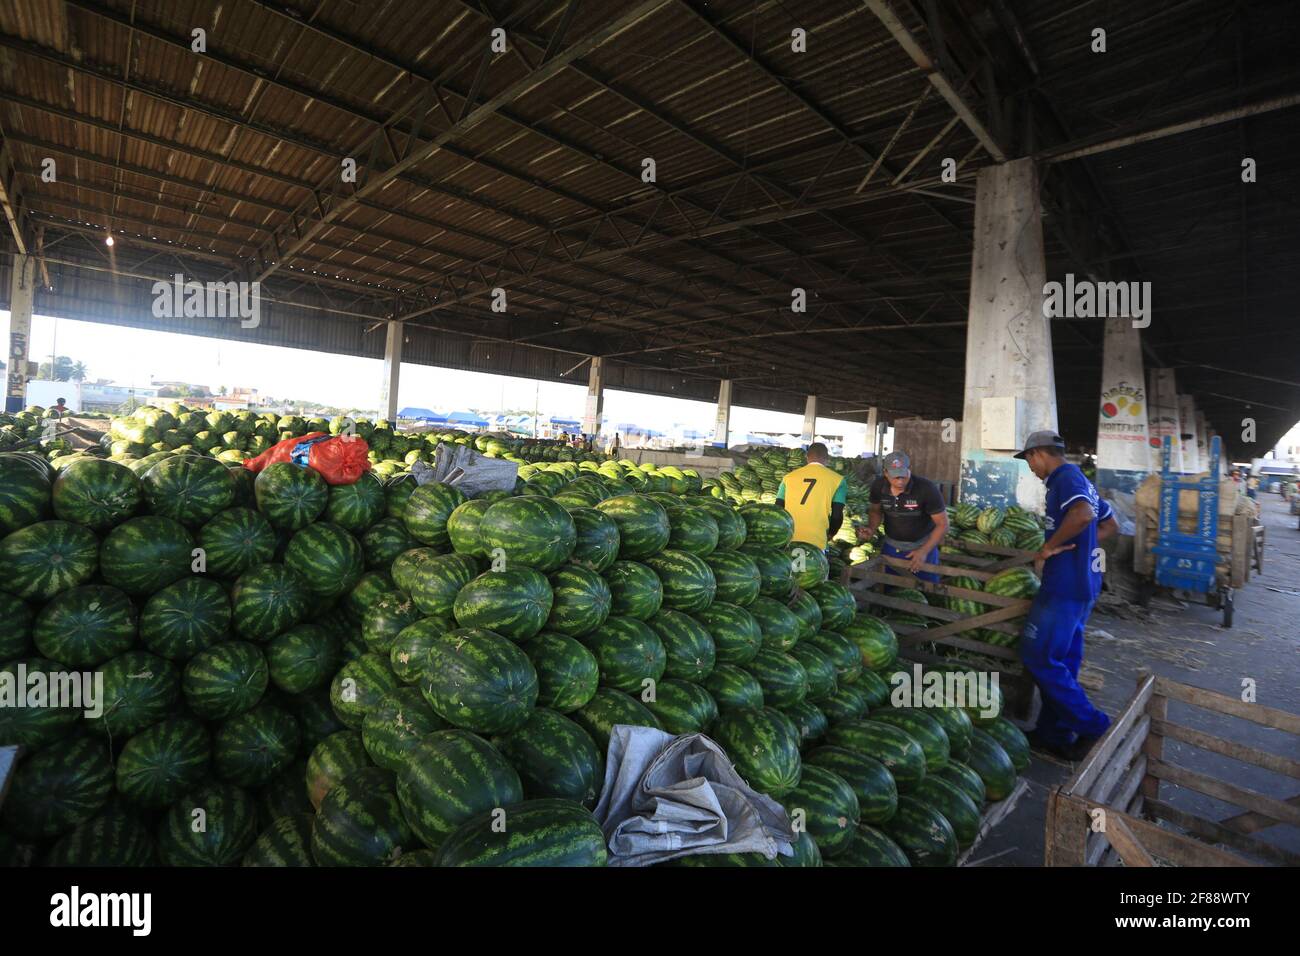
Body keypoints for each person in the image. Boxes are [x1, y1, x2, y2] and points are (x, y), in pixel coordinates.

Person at [1015, 430, 1120, 761]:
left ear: (1038, 454)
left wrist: (1049, 548)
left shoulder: (1065, 478)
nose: (1030, 468)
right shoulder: (1080, 481)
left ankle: (1095, 726)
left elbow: (1084, 515)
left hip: (1064, 587)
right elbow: (1109, 524)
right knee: (1064, 660)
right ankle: (1054, 734)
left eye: (1029, 461)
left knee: (1038, 656)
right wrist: (1083, 547)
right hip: (1083, 584)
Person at [857, 452, 948, 583]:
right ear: (886, 473)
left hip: (923, 548)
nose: (900, 481)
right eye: (895, 477)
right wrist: (872, 528)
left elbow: (943, 524)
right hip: (892, 548)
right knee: (889, 589)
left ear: (909, 470)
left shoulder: (926, 489)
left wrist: (923, 551)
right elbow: (875, 511)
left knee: (927, 591)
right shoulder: (878, 486)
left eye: (903, 476)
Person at [775, 442, 846, 550]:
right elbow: (837, 515)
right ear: (827, 458)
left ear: (807, 457)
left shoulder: (788, 477)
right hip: (817, 541)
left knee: (793, 567)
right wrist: (831, 534)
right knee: (812, 566)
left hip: (788, 538)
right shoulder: (838, 480)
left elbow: (778, 508)